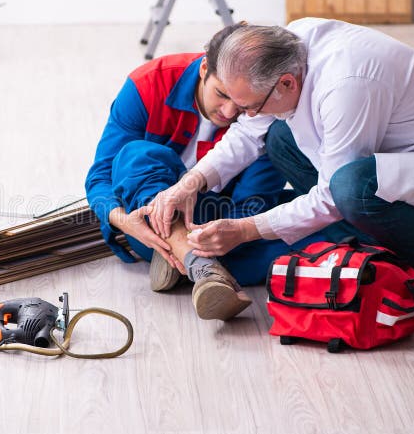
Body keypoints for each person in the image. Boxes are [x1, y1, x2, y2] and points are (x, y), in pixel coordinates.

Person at [149, 18, 414, 317]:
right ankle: (381, 247)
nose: (243, 116)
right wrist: (190, 183)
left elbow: (333, 194)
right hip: (397, 159)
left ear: (287, 82)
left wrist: (246, 229)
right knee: (278, 139)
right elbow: (248, 136)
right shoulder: (287, 50)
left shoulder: (347, 84)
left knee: (353, 188)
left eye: (250, 106)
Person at [85, 23, 322, 321]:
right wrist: (123, 221)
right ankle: (202, 266)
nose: (229, 112)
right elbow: (100, 176)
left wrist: (222, 236)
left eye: (241, 104)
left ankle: (189, 263)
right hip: (150, 229)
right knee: (136, 155)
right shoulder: (148, 84)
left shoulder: (261, 110)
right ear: (204, 67)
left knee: (314, 221)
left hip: (224, 227)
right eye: (221, 94)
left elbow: (254, 205)